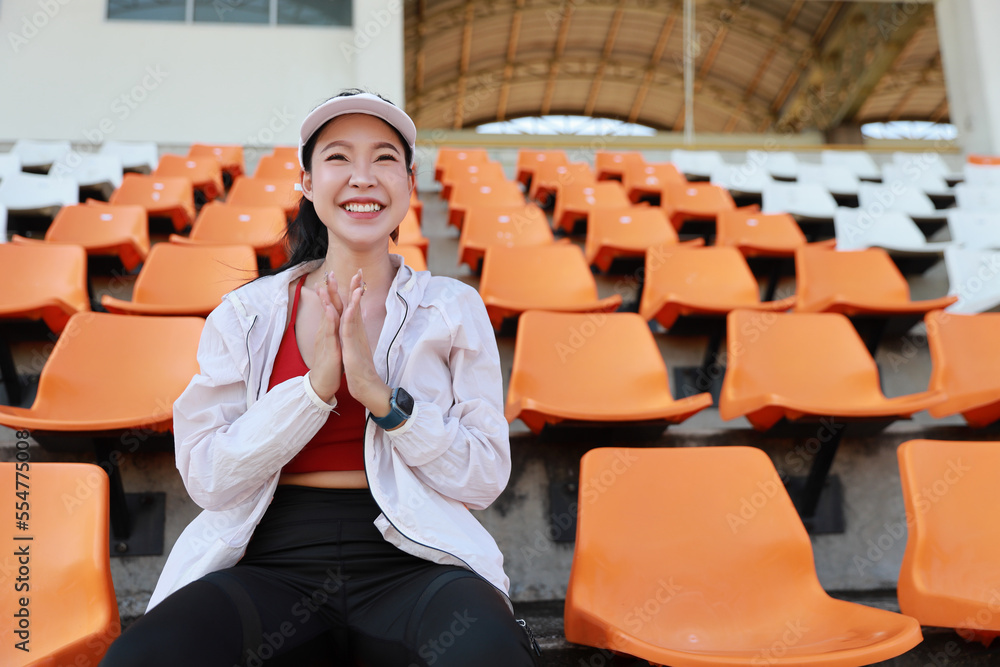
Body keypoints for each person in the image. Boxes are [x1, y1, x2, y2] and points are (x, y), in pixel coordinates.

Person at [101, 90, 538, 667]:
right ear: (307, 181)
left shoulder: (453, 308)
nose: (363, 177)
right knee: (144, 659)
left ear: (409, 183)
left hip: (417, 562)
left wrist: (383, 399)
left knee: (489, 656)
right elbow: (208, 477)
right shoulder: (247, 312)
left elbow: (483, 477)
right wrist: (315, 390)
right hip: (271, 562)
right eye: (338, 158)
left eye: (384, 158)